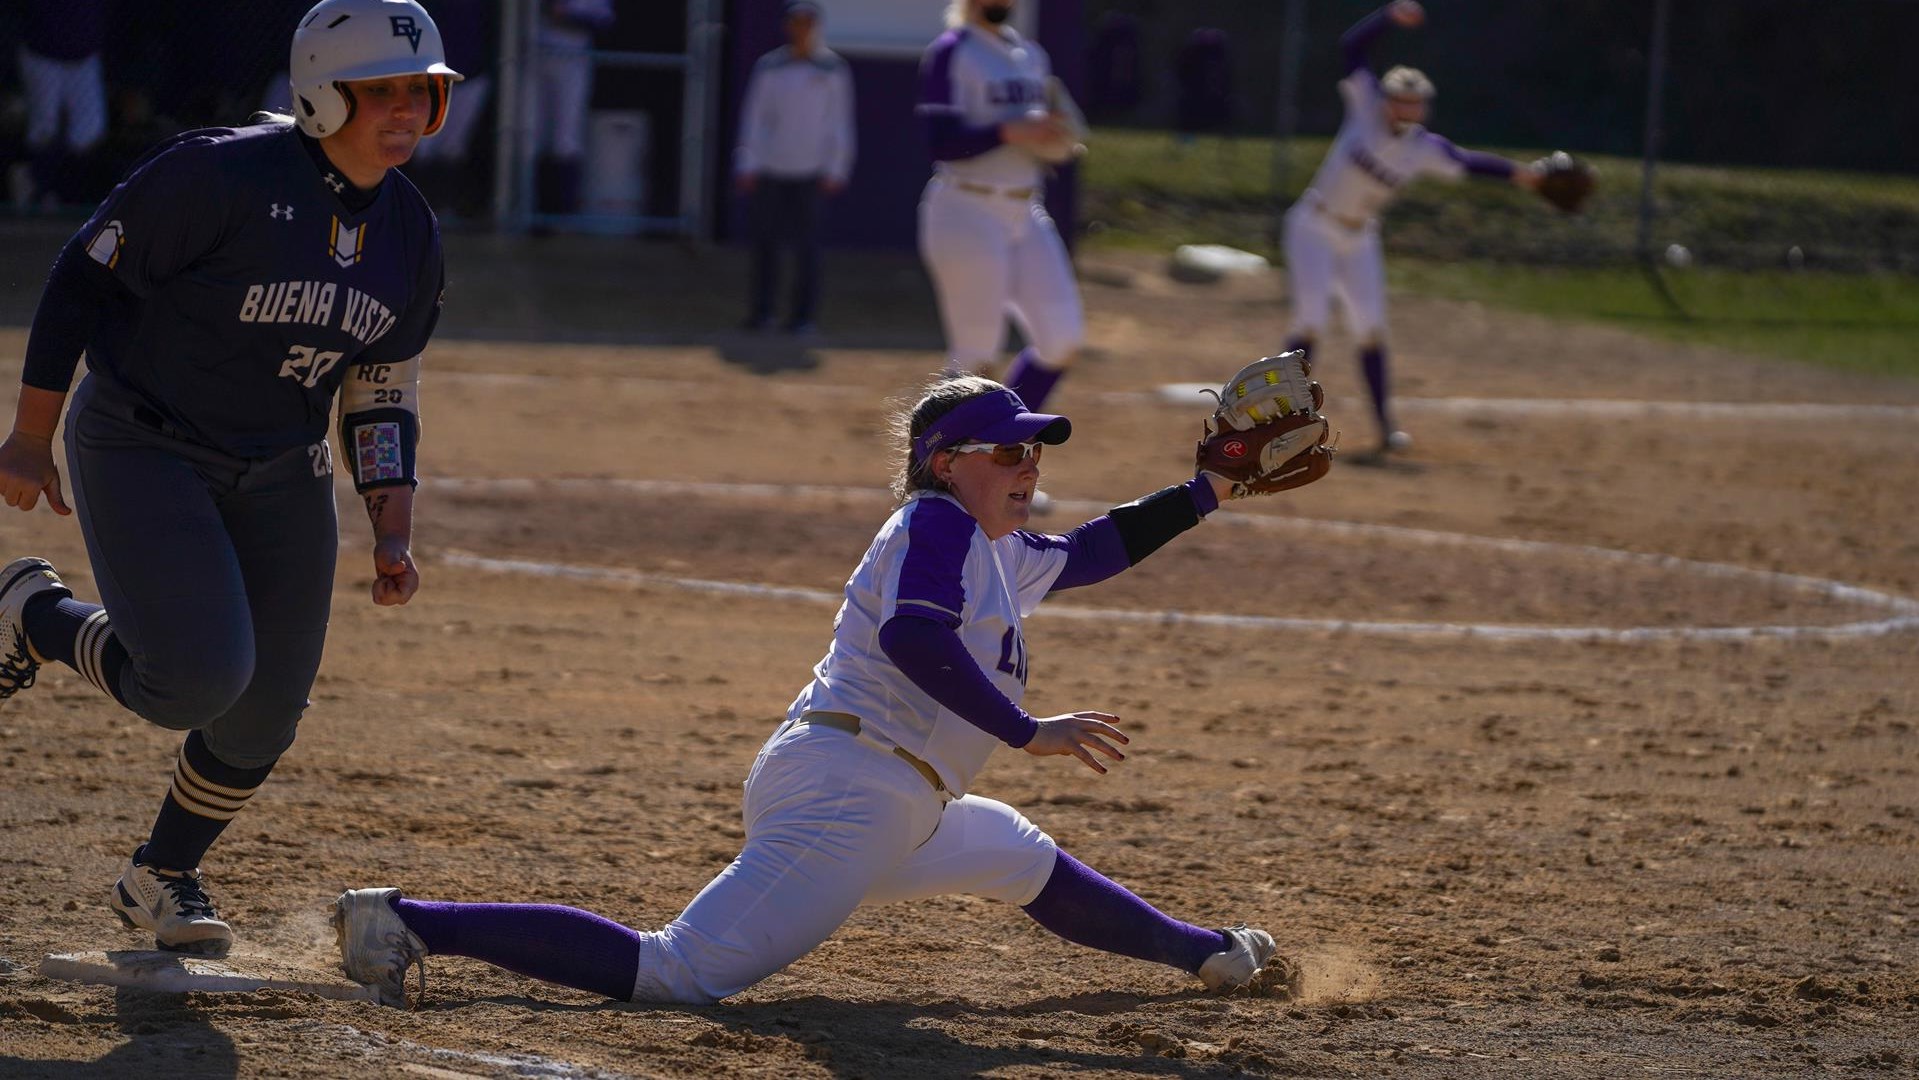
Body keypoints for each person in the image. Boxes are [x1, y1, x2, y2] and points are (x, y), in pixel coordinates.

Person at [333, 375, 1281, 1007]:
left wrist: (1205, 490)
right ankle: (405, 920)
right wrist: (1024, 730)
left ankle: (1208, 953)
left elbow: (1092, 550)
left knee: (1019, 856)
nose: (1029, 466)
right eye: (1009, 452)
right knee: (680, 973)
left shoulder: (992, 549)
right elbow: (914, 636)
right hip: (849, 791)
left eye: (1034, 453)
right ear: (948, 461)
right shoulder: (938, 524)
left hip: (889, 794)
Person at [0, 0, 459, 957]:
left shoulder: (410, 232)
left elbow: (380, 387)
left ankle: (161, 873)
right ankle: (33, 617)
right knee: (192, 682)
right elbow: (82, 278)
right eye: (383, 91)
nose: (407, 108)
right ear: (323, 96)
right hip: (144, 439)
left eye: (422, 90)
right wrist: (29, 435)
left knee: (266, 710)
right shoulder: (220, 172)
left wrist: (391, 525)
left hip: (283, 469)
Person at [1281, 0, 1543, 460]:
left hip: (1360, 235)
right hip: (1314, 226)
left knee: (1371, 328)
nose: (1406, 107)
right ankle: (1284, 422)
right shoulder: (1363, 106)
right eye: (1400, 98)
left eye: (1414, 101)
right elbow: (1351, 47)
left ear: (1423, 107)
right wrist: (1388, 17)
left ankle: (1384, 428)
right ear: (1386, 99)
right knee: (1310, 321)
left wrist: (1522, 174)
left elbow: (1468, 163)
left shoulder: (1422, 148)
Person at [916, 0, 1085, 411]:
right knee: (975, 355)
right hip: (965, 207)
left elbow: (1044, 131)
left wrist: (1053, 137)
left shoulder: (1030, 54)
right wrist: (1009, 130)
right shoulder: (951, 51)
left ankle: (1004, 431)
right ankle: (937, 460)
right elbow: (941, 142)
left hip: (1025, 209)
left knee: (1062, 339)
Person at [734, 1, 856, 336]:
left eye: (807, 23)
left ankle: (802, 318)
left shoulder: (833, 69)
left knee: (807, 249)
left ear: (816, 27)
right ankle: (762, 313)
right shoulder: (770, 67)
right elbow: (755, 118)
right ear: (788, 27)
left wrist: (836, 168)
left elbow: (839, 123)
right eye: (795, 23)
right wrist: (748, 162)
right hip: (771, 169)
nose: (801, 30)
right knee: (765, 245)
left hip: (811, 172)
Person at [17, 0, 110, 207]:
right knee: (44, 129)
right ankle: (41, 191)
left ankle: (60, 192)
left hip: (84, 55)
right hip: (43, 54)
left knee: (89, 132)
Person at [528, 0, 615, 218]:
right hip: (533, 53)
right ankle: (527, 211)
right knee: (529, 134)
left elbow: (604, 19)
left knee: (565, 137)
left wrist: (568, 16)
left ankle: (562, 215)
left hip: (572, 55)